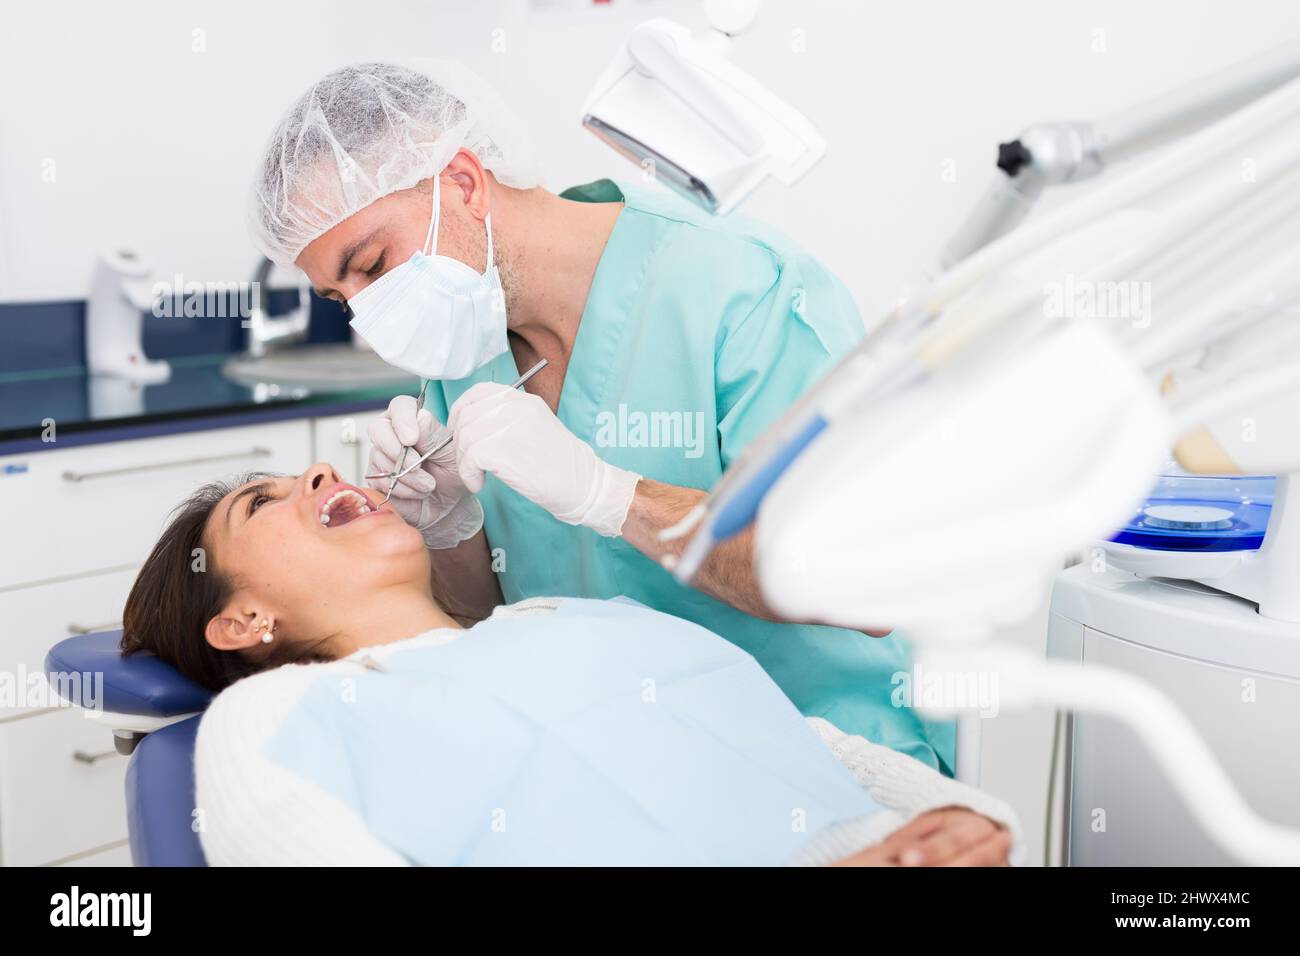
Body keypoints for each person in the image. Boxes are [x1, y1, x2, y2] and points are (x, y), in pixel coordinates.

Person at [247, 61, 954, 773]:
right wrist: (451, 530)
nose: (370, 318)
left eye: (371, 264)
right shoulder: (462, 349)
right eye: (343, 299)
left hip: (817, 752)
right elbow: (485, 618)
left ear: (462, 184)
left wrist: (610, 496)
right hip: (619, 759)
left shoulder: (739, 290)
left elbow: (858, 581)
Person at [120, 463, 1018, 866]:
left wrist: (974, 824)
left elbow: (816, 751)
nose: (316, 472)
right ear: (241, 620)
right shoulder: (274, 719)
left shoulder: (568, 618)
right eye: (261, 502)